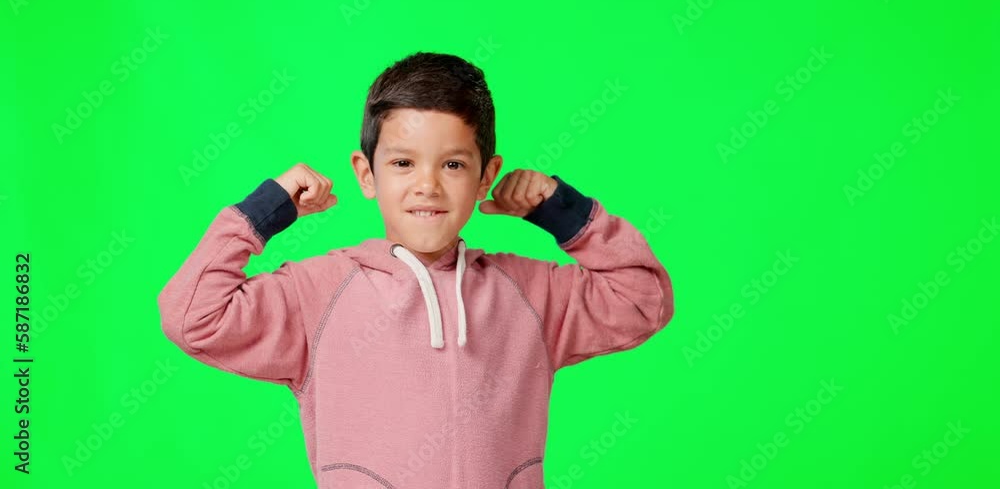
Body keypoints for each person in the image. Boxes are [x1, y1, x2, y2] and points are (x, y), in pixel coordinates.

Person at [157, 51, 674, 488]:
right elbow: (192, 315)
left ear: (485, 176)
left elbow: (642, 299)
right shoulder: (316, 295)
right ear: (366, 173)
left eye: (452, 164)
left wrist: (565, 212)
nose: (427, 185)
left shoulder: (530, 294)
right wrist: (262, 212)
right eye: (403, 163)